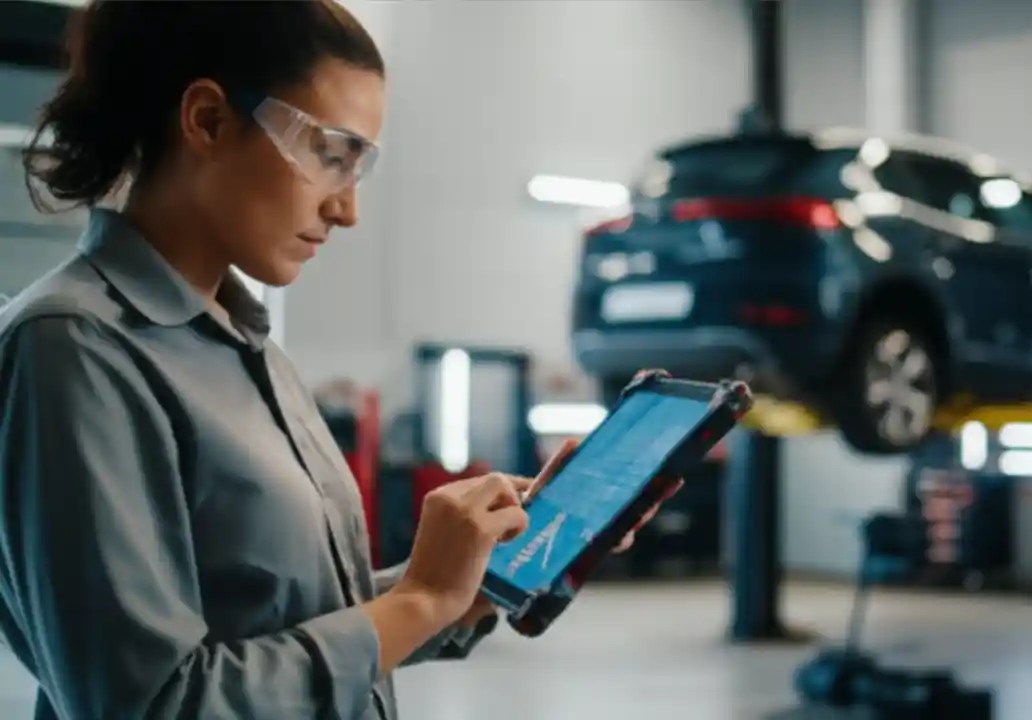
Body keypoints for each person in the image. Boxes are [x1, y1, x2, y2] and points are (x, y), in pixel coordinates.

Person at [0, 2, 673, 718]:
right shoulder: (75, 348)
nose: (347, 209)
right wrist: (420, 600)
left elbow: (296, 626)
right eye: (331, 154)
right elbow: (149, 704)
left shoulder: (244, 346)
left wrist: (472, 577)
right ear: (207, 120)